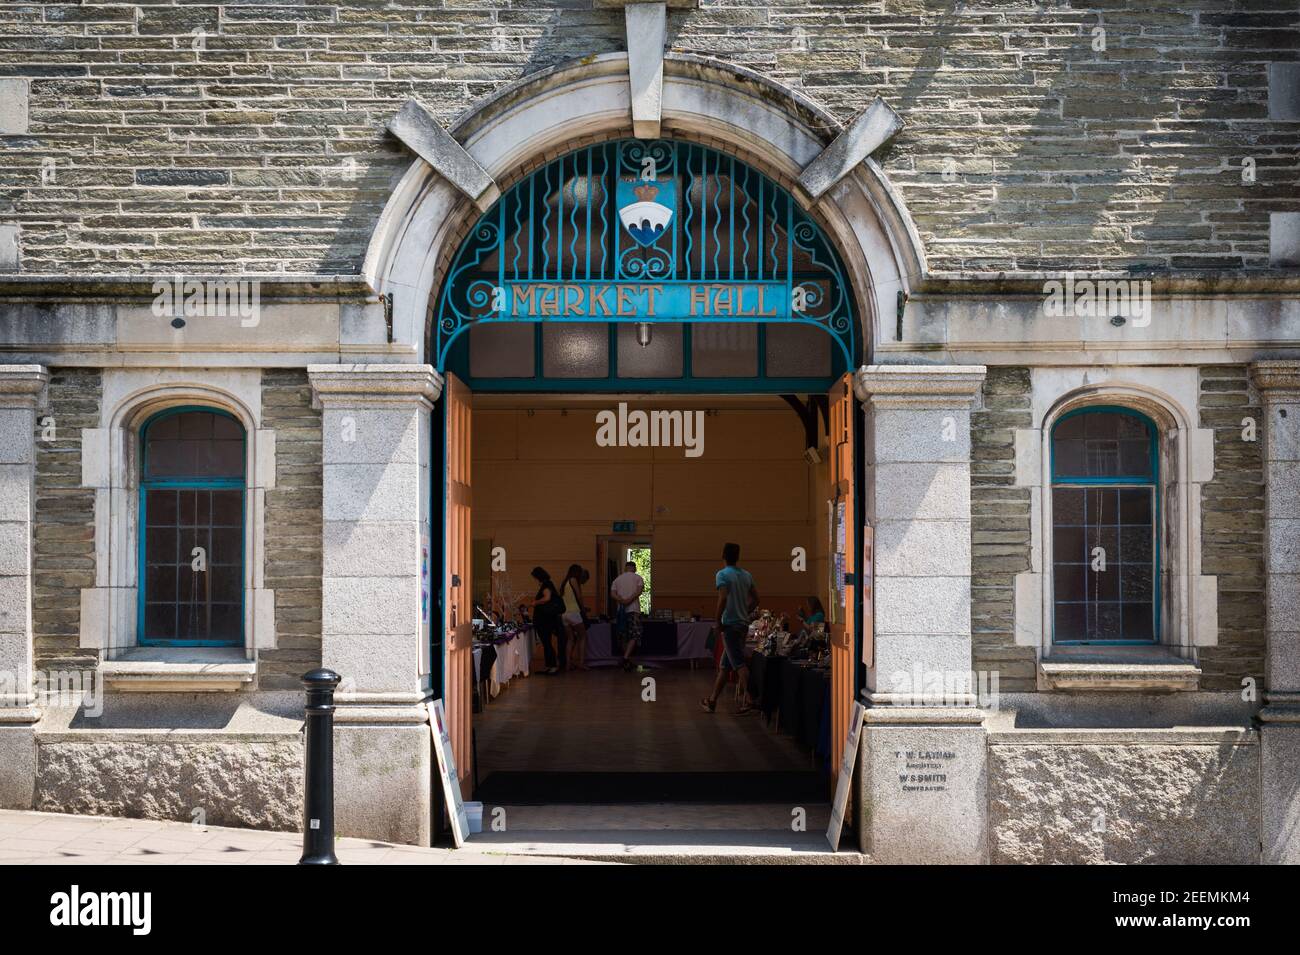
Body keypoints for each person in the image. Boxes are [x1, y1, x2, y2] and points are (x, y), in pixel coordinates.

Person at [701, 542, 759, 714]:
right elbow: (756, 599)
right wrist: (745, 611)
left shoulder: (722, 575)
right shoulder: (747, 575)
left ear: (723, 556)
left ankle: (751, 700)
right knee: (725, 666)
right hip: (742, 625)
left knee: (739, 664)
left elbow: (723, 598)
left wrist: (718, 620)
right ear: (738, 557)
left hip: (730, 625)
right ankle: (712, 701)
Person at [609, 559, 645, 672]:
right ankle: (625, 659)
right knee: (635, 634)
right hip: (633, 610)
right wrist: (629, 600)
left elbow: (612, 594)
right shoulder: (638, 578)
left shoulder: (617, 579)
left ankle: (627, 661)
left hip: (621, 610)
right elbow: (639, 591)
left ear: (625, 568)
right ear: (635, 568)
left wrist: (621, 600)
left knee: (623, 634)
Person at [530, 566, 566, 675]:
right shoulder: (547, 584)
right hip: (546, 620)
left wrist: (535, 602)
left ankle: (553, 666)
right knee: (546, 643)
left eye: (535, 577)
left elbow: (547, 598)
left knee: (547, 643)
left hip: (545, 621)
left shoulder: (546, 585)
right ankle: (549, 665)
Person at [560, 563, 589, 671]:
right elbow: (579, 596)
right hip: (574, 612)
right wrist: (583, 609)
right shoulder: (573, 580)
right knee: (583, 637)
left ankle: (568, 664)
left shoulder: (565, 582)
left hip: (564, 615)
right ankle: (581, 663)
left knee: (570, 639)